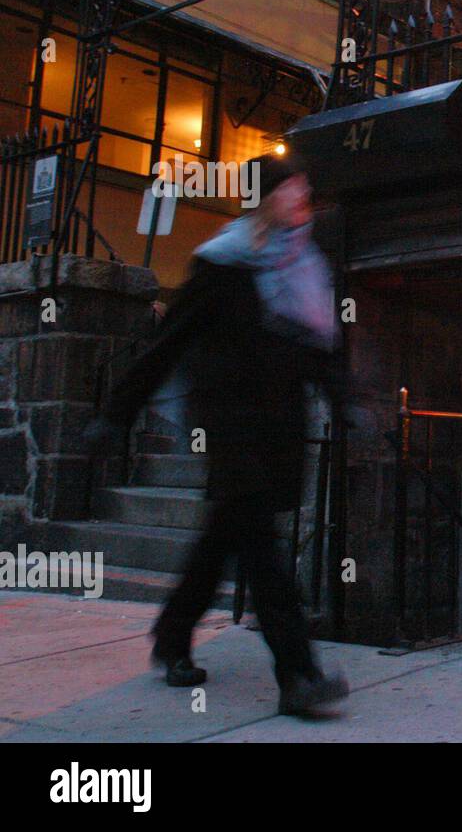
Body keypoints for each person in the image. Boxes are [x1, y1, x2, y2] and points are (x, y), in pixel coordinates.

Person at [88, 152, 349, 716]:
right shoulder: (222, 264)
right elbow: (169, 343)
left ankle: (171, 634)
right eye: (290, 187)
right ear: (265, 199)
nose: (301, 193)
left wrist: (346, 400)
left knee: (224, 538)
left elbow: (313, 352)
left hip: (279, 427)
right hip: (231, 427)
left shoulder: (303, 265)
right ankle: (298, 676)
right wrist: (118, 411)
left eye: (303, 184)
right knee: (263, 550)